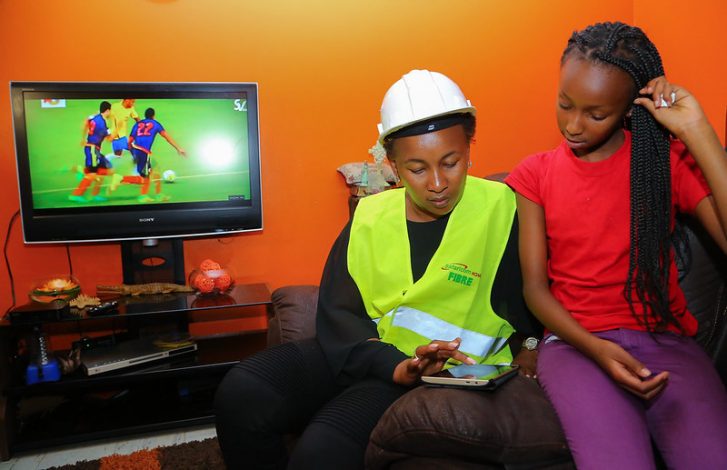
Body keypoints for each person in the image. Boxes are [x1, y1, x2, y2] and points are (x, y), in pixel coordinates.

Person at [214, 69, 543, 469]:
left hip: (441, 374)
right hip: (369, 356)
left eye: (451, 162)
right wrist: (391, 364)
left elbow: (539, 305)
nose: (437, 183)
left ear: (469, 148)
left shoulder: (506, 208)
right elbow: (339, 313)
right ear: (393, 165)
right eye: (417, 169)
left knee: (320, 453)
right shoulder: (369, 215)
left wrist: (531, 348)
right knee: (243, 390)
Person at [505, 22, 727, 469]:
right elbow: (535, 290)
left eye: (595, 113)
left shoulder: (666, 164)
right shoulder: (535, 174)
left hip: (665, 342)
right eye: (564, 104)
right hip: (576, 346)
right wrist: (596, 349)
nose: (573, 125)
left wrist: (697, 131)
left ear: (628, 107)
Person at [107, 107, 186, 202]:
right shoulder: (156, 124)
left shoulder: (137, 124)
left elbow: (129, 141)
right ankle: (141, 193)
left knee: (152, 171)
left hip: (137, 150)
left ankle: (157, 195)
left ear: (145, 115)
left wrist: (134, 155)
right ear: (153, 116)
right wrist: (178, 148)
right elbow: (167, 137)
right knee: (146, 176)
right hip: (144, 152)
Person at [69, 101, 113, 202]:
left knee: (108, 170)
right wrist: (115, 129)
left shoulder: (95, 117)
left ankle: (95, 194)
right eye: (110, 111)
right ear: (107, 110)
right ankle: (76, 195)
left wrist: (83, 138)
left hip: (95, 150)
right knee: (92, 174)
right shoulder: (102, 124)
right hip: (92, 150)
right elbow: (109, 139)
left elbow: (86, 122)